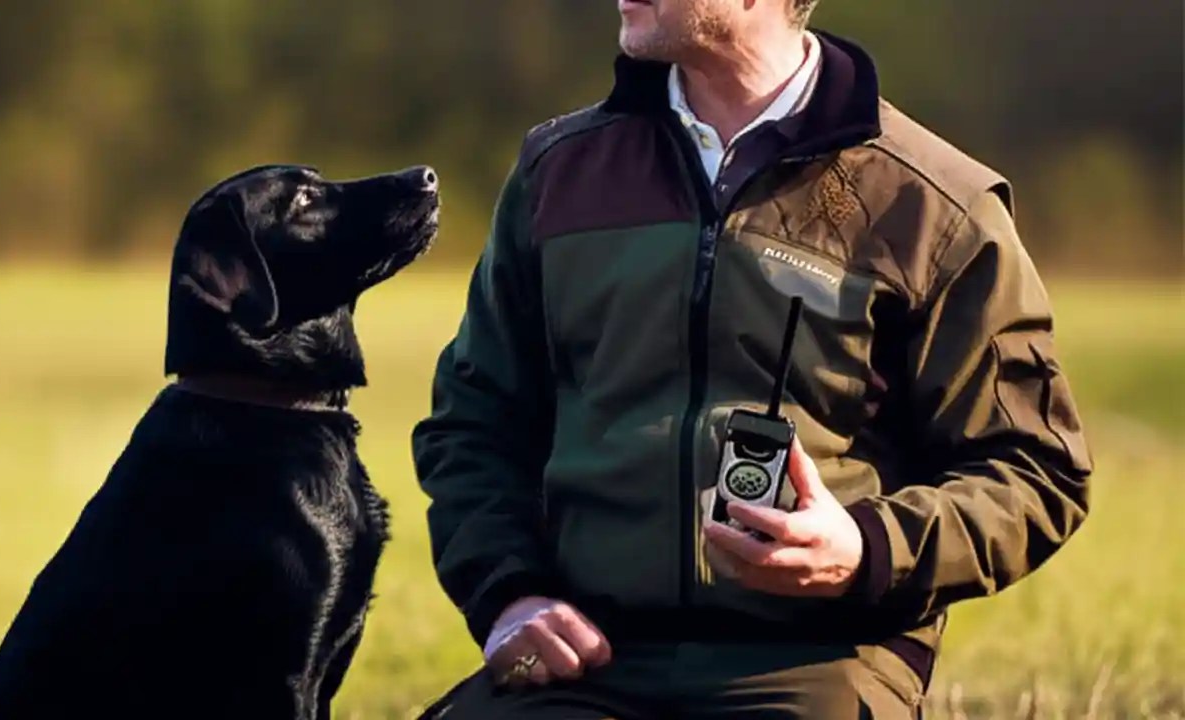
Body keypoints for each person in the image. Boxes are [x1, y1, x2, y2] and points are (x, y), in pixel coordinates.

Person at [411, 0, 1094, 717]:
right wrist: (509, 594)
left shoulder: (934, 205)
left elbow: (1034, 469)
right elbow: (472, 420)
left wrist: (866, 550)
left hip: (818, 664)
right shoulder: (558, 173)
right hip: (586, 656)